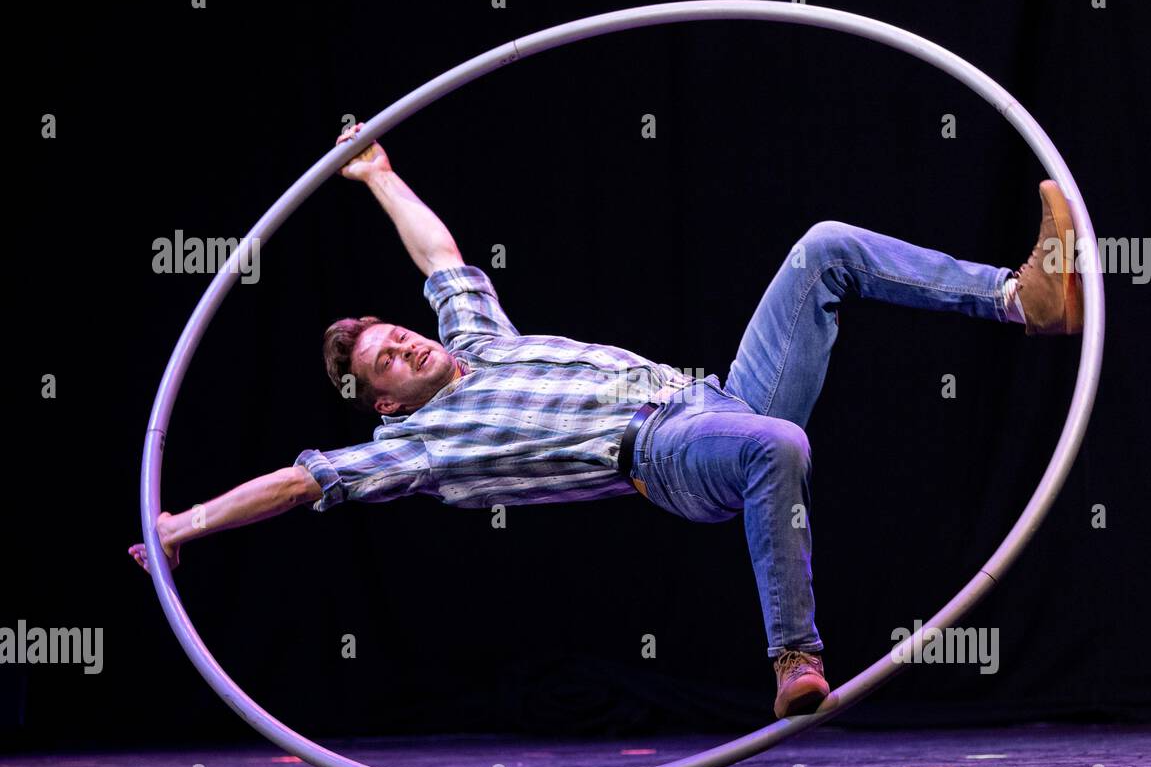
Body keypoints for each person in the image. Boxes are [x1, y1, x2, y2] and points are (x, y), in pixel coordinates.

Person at [130, 122, 1084, 719]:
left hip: (714, 395)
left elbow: (439, 254)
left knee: (825, 248)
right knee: (775, 449)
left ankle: (1020, 301)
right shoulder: (418, 445)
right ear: (384, 399)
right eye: (387, 360)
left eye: (397, 335)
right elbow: (307, 481)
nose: (407, 347)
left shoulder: (478, 338)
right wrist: (182, 524)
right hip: (663, 456)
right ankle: (794, 655)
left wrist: (376, 172)